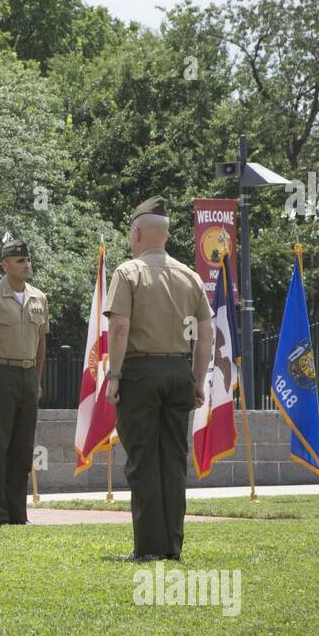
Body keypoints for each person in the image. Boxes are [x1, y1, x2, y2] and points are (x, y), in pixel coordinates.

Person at [105, 196, 214, 562]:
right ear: (166, 235)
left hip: (139, 372)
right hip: (179, 372)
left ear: (137, 232)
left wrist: (114, 375)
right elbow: (206, 334)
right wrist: (197, 380)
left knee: (142, 460)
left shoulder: (127, 273)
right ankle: (172, 547)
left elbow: (119, 328)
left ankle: (149, 548)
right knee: (172, 460)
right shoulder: (191, 276)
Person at [0, 239, 49, 526]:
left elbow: (41, 341)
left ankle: (18, 514)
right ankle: (0, 515)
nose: (26, 265)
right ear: (5, 264)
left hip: (27, 376)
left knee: (23, 448)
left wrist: (37, 380)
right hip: (1, 373)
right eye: (19, 261)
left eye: (27, 260)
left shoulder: (38, 297)